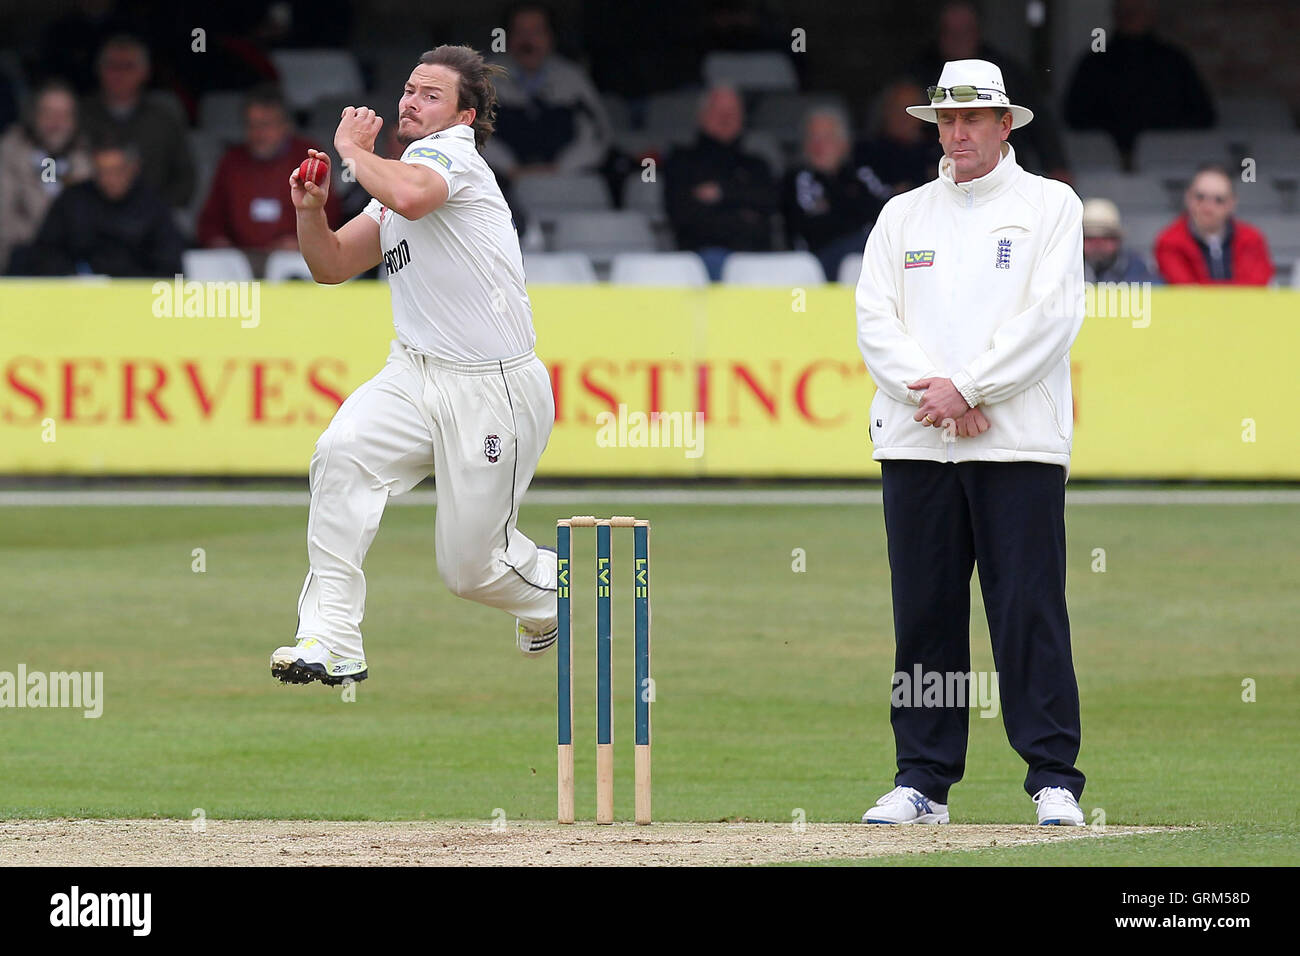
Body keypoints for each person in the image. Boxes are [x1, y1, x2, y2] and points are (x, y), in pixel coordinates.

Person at [271, 45, 558, 687]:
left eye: (431, 94)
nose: (410, 101)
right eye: (408, 89)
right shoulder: (396, 177)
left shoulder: (448, 156)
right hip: (414, 373)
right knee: (341, 452)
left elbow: (414, 194)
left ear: (465, 115)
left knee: (470, 572)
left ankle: (560, 595)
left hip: (494, 388)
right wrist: (311, 212)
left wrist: (351, 152)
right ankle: (331, 638)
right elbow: (333, 267)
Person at [855, 59, 1087, 827]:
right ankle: (922, 778)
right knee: (924, 613)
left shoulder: (1050, 206)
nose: (957, 134)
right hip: (920, 441)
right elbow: (874, 322)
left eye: (972, 120)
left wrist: (973, 388)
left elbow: (1051, 320)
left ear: (1005, 124)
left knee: (1026, 608)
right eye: (946, 121)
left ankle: (1053, 776)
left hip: (1015, 443)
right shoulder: (904, 215)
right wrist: (940, 393)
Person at [906, 1, 1070, 182]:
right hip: (934, 175)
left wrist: (1057, 166)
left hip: (1006, 179)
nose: (958, 38)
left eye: (973, 119)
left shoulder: (1007, 72)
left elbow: (1042, 123)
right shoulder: (918, 72)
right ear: (939, 36)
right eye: (950, 32)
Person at [1064, 0, 1215, 167]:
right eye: (1126, 11)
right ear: (1115, 13)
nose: (1132, 16)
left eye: (1137, 10)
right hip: (1105, 163)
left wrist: (1159, 138)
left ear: (1151, 14)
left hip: (1169, 162)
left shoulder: (1174, 61)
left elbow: (1203, 115)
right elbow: (1074, 116)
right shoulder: (1093, 63)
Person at [197, 85, 341, 254]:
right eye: (251, 125)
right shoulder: (232, 161)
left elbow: (330, 213)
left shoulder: (307, 156)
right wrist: (219, 242)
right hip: (240, 260)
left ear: (285, 125)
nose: (258, 133)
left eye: (266, 125)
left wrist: (302, 241)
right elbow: (210, 219)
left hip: (296, 259)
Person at [484, 2, 611, 181]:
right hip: (499, 185)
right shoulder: (487, 78)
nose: (527, 41)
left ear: (551, 38)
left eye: (537, 32)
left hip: (567, 183)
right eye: (520, 32)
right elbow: (470, 131)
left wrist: (559, 169)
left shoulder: (573, 79)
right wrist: (510, 168)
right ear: (507, 37)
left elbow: (598, 134)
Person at [25, 138, 184, 277]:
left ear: (133, 168)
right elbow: (45, 252)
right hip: (78, 298)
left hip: (136, 298)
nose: (109, 179)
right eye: (102, 171)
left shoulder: (154, 206)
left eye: (117, 170)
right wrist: (73, 276)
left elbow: (169, 265)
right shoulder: (73, 200)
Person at [664, 85, 777, 281]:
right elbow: (682, 215)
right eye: (718, 111)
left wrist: (721, 194)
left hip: (757, 260)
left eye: (732, 112)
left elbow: (770, 203)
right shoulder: (681, 161)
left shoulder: (758, 165)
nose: (726, 117)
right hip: (704, 261)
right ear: (702, 116)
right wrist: (744, 213)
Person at [79, 34, 195, 208]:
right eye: (112, 66)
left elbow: (185, 177)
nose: (119, 74)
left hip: (150, 220)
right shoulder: (78, 116)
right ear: (99, 70)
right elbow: (55, 170)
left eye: (128, 67)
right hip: (88, 218)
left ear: (145, 73)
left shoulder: (163, 119)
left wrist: (157, 210)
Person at [0, 80, 93, 274]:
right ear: (33, 116)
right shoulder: (9, 154)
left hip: (75, 265)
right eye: (48, 113)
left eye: (64, 115)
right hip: (19, 263)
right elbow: (4, 221)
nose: (56, 122)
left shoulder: (85, 157)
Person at [781, 107, 883, 281]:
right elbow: (813, 228)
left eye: (827, 138)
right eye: (813, 138)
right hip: (818, 260)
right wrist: (853, 208)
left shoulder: (861, 175)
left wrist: (836, 207)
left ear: (844, 144)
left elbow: (884, 211)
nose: (819, 146)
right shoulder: (798, 178)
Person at [1154, 164, 1274, 286]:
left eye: (1219, 200)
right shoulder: (1169, 241)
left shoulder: (1252, 239)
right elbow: (1184, 289)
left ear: (1232, 203)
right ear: (1188, 198)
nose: (1208, 207)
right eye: (1200, 197)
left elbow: (1254, 288)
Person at [854, 81, 943, 198]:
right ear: (885, 110)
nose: (903, 117)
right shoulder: (866, 152)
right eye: (897, 107)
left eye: (910, 109)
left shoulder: (936, 151)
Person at [1081, 197, 1155, 283]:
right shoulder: (1066, 266)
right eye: (1089, 238)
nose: (1097, 244)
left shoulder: (1136, 267)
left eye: (1106, 237)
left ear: (1118, 240)